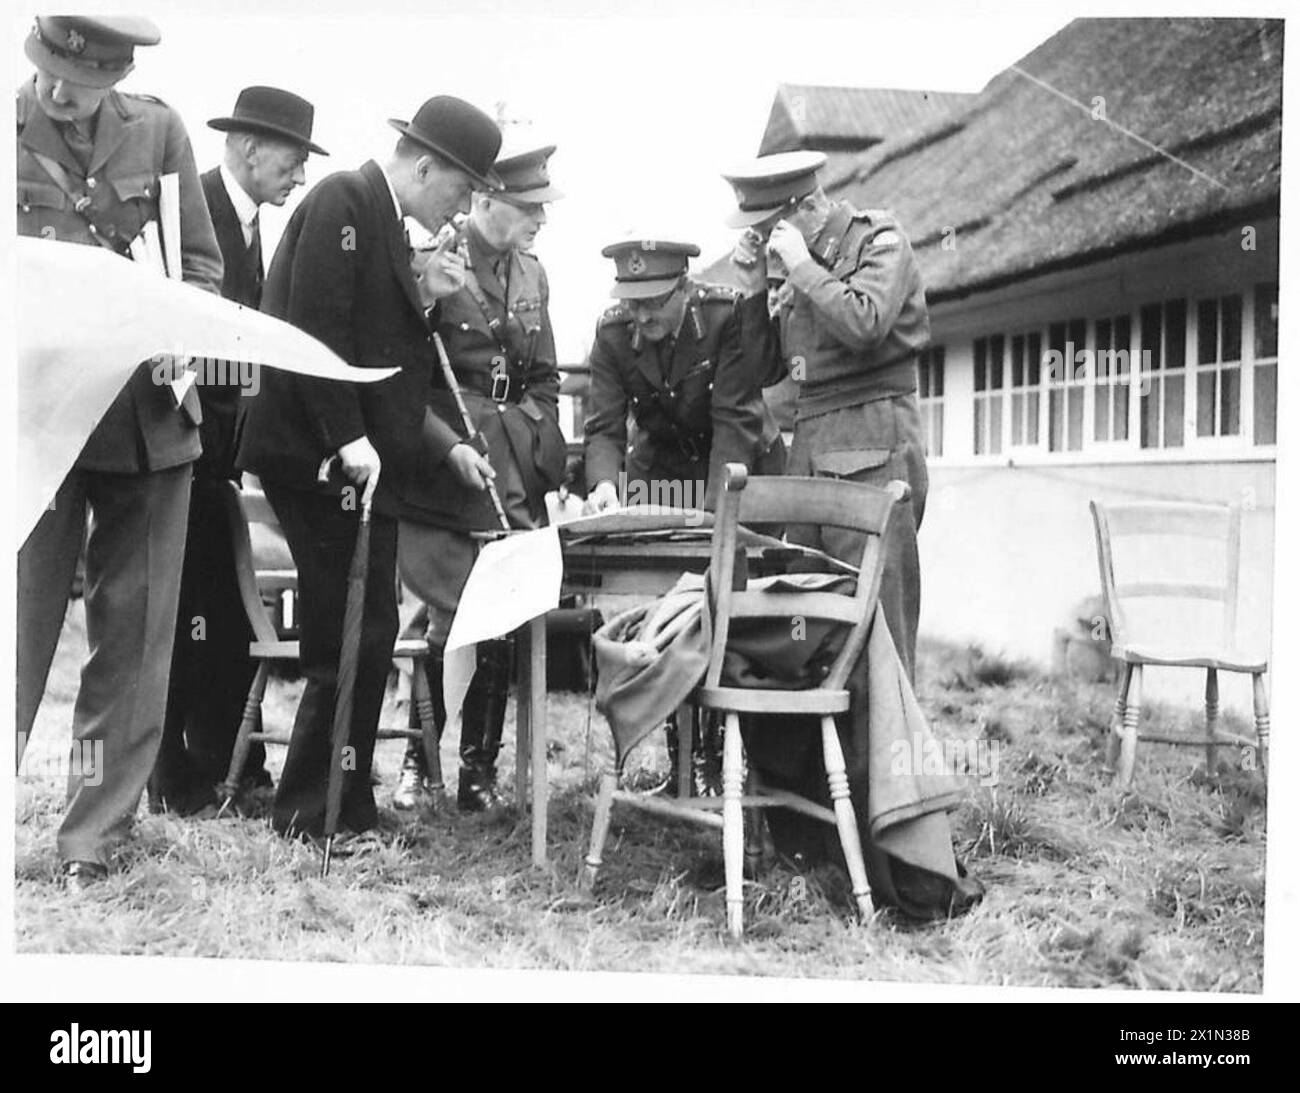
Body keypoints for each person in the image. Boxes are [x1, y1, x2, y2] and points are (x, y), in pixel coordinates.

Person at [235, 95, 501, 842]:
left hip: (352, 465)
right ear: (425, 165)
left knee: (369, 631)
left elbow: (378, 345)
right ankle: (311, 815)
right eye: (462, 188)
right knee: (345, 633)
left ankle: (344, 806)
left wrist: (424, 298)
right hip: (319, 458)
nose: (463, 207)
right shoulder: (342, 200)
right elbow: (316, 330)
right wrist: (346, 437)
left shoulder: (376, 216)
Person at [15, 16, 224, 890]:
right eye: (45, 72)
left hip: (146, 423)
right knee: (15, 633)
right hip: (36, 422)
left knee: (131, 644)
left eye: (77, 79)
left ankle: (90, 836)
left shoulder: (161, 132)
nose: (55, 92)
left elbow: (202, 269)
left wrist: (182, 329)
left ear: (117, 73)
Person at [149, 86, 328, 815]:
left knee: (224, 616)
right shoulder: (193, 208)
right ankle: (169, 777)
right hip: (178, 450)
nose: (300, 176)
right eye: (292, 159)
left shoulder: (259, 229)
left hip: (223, 463)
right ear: (251, 147)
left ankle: (223, 761)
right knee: (179, 614)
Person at [394, 143, 568, 813]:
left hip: (511, 465)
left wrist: (532, 434)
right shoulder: (435, 256)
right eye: (530, 207)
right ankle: (418, 760)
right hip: (447, 457)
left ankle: (478, 772)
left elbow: (547, 376)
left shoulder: (534, 274)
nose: (541, 220)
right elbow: (410, 364)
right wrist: (445, 441)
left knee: (506, 609)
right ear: (488, 199)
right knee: (447, 611)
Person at [582, 236, 785, 792]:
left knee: (726, 612)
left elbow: (735, 420)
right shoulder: (611, 331)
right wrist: (604, 484)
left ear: (685, 289)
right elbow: (603, 425)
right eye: (631, 302)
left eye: (652, 304)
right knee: (673, 613)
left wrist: (715, 521)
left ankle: (724, 762)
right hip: (663, 473)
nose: (639, 316)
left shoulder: (726, 316)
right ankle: (685, 765)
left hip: (737, 468)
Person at [721, 151, 930, 682]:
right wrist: (750, 291)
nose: (764, 242)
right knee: (807, 620)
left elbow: (866, 323)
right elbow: (767, 372)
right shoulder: (798, 263)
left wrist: (802, 267)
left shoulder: (879, 240)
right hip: (809, 447)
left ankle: (884, 761)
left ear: (805, 208)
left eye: (770, 228)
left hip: (873, 439)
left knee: (877, 616)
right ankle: (814, 766)